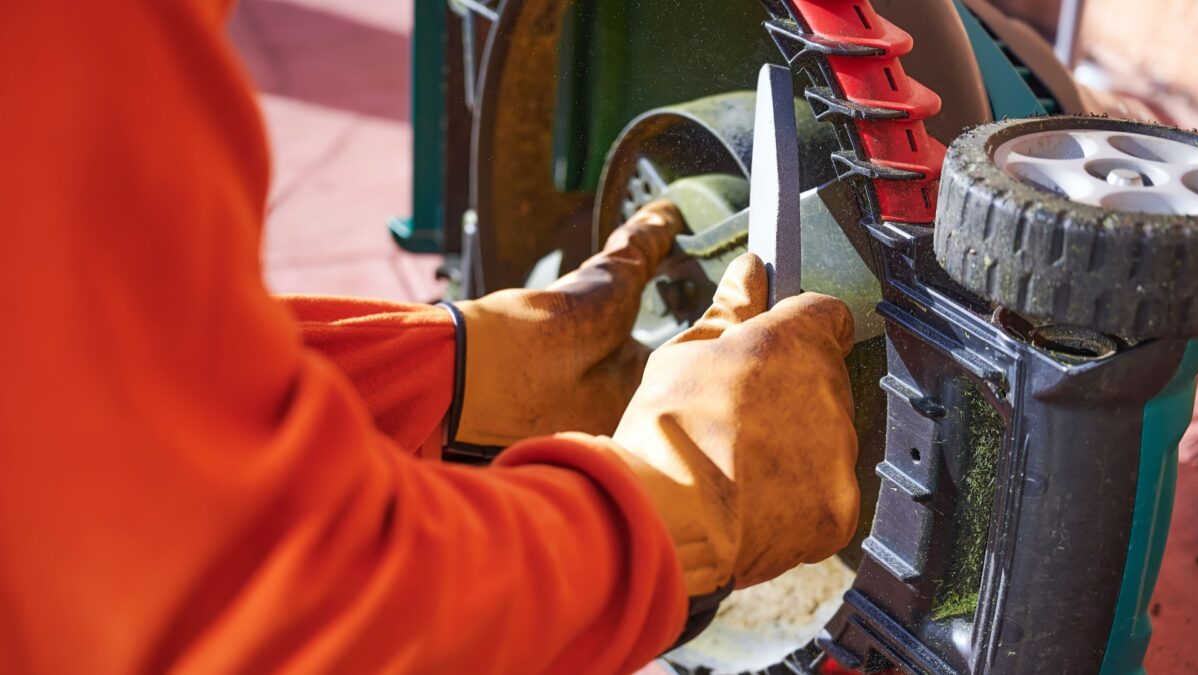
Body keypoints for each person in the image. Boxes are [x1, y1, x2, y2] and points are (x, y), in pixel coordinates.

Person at [0, 1, 860, 673]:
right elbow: (267, 622)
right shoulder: (74, 37)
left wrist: (452, 371)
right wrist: (678, 506)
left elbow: (92, 405)